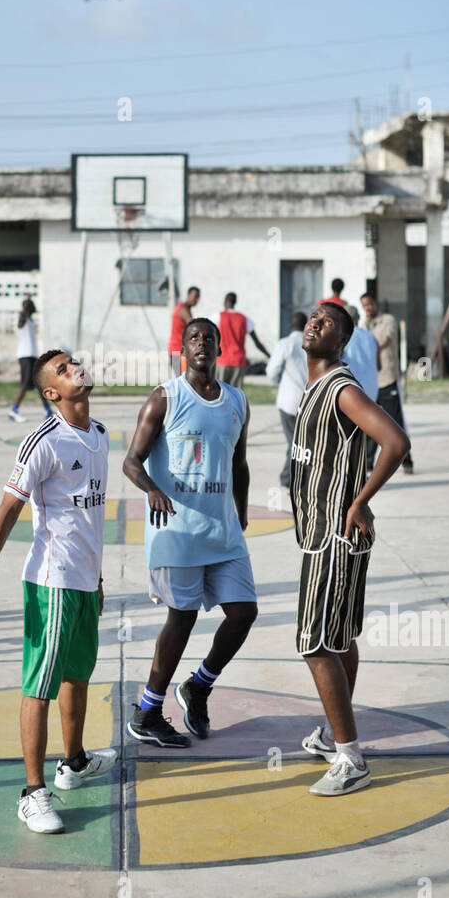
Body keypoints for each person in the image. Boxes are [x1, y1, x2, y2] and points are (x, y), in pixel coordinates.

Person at [0, 349, 116, 835]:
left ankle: (73, 762)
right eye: (64, 370)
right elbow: (6, 514)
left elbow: (88, 518)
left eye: (76, 362)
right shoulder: (42, 443)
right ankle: (32, 792)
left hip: (85, 582)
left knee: (78, 675)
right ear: (51, 393)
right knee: (41, 684)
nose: (77, 369)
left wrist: (98, 579)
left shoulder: (101, 435)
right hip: (51, 583)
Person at [292, 300, 409, 796]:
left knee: (315, 643)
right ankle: (332, 735)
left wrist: (359, 500)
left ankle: (350, 758)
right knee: (339, 639)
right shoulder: (315, 387)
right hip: (325, 537)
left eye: (329, 323)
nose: (316, 324)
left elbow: (395, 440)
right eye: (313, 317)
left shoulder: (341, 389)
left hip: (333, 537)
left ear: (341, 341)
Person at [122, 317, 258, 746]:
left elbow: (239, 463)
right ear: (183, 350)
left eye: (209, 338)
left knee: (244, 613)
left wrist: (241, 511)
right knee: (180, 620)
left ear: (220, 348)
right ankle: (147, 712)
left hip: (223, 530)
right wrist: (152, 490)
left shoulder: (237, 401)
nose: (202, 343)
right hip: (177, 531)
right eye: (194, 338)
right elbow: (131, 461)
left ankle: (198, 685)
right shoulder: (165, 398)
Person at [360, 293, 414, 474]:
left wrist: (372, 347)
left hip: (387, 378)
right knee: (372, 423)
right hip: (370, 382)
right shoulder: (363, 325)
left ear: (375, 303)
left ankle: (407, 461)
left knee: (395, 422)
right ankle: (367, 463)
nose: (367, 308)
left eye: (369, 304)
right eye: (364, 306)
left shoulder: (388, 320)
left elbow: (387, 339)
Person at [266, 311, 308, 487]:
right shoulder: (312, 343)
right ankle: (295, 477)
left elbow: (272, 371)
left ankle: (288, 478)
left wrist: (278, 382)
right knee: (303, 441)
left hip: (289, 400)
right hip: (309, 400)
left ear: (290, 325)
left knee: (294, 441)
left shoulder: (285, 344)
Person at [210, 292, 271, 388]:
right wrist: (269, 356)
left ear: (225, 302)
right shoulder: (244, 319)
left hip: (222, 360)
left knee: (219, 392)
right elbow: (257, 342)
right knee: (235, 394)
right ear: (235, 302)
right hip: (238, 361)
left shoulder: (218, 316)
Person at [9, 297, 53, 423]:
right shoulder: (22, 319)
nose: (35, 308)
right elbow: (21, 321)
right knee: (24, 384)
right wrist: (26, 304)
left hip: (32, 356)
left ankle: (47, 410)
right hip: (25, 357)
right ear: (28, 308)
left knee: (40, 384)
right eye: (32, 306)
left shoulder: (30, 320)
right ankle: (13, 410)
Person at [342, 305, 379, 400]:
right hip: (373, 391)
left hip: (353, 392)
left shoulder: (343, 337)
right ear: (358, 318)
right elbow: (379, 365)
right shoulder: (371, 336)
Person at [167, 286, 200, 378]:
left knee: (184, 381)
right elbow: (194, 327)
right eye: (195, 296)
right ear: (188, 295)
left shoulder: (184, 308)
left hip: (177, 351)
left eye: (198, 297)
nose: (196, 299)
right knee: (186, 381)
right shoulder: (183, 309)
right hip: (179, 351)